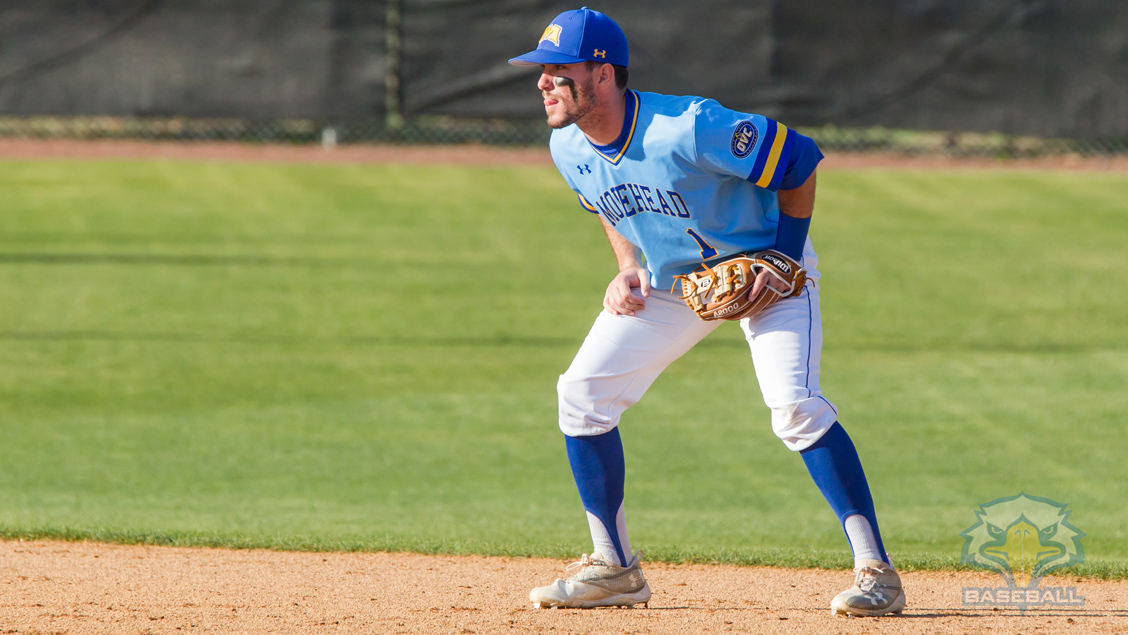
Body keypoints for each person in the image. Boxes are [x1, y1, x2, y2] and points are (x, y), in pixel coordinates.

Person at [508, 7, 906, 617]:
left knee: (795, 408)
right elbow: (609, 207)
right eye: (542, 71)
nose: (543, 83)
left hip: (764, 269)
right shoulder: (568, 145)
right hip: (675, 285)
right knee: (581, 393)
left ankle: (876, 571)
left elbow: (800, 160)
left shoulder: (688, 127)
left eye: (558, 71)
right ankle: (614, 567)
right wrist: (626, 266)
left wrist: (785, 259)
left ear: (603, 73)